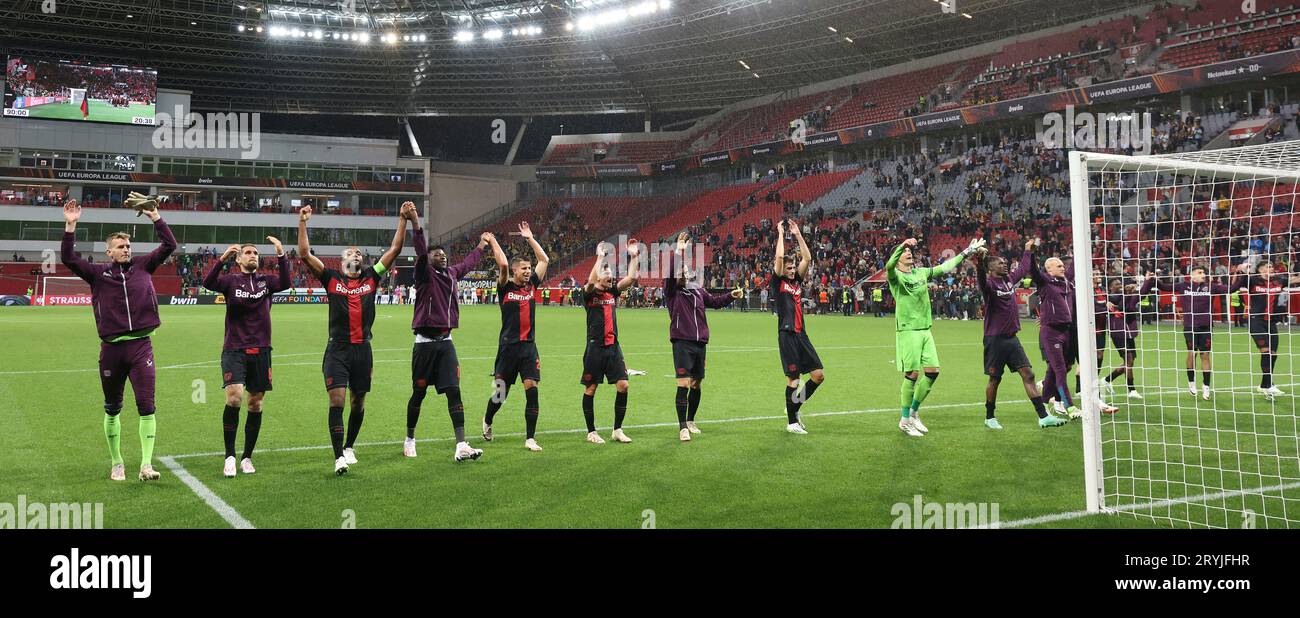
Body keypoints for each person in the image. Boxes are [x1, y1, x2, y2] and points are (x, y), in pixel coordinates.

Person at [60, 197, 176, 482]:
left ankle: (146, 465)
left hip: (141, 346)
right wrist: (70, 225)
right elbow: (68, 258)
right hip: (111, 350)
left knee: (147, 405)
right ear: (109, 251)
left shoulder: (143, 266)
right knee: (113, 407)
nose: (126, 250)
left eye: (128, 246)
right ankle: (117, 463)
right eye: (121, 247)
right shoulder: (97, 274)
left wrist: (155, 217)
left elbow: (169, 245)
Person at [297, 204, 408, 475]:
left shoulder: (372, 277)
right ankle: (338, 458)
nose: (355, 254)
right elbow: (304, 253)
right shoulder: (330, 277)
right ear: (342, 259)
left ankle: (349, 446)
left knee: (358, 402)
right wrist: (302, 223)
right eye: (350, 252)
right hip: (337, 349)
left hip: (363, 350)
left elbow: (395, 250)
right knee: (337, 401)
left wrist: (402, 219)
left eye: (359, 252)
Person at [403, 202, 491, 462]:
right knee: (418, 392)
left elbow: (468, 263)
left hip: (446, 342)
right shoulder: (424, 273)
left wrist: (482, 245)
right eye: (436, 254)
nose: (442, 256)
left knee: (454, 390)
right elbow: (420, 250)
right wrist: (415, 222)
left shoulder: (452, 273)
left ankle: (461, 444)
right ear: (428, 260)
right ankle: (409, 438)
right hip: (424, 344)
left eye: (443, 254)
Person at [202, 237, 290, 478]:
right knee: (234, 397)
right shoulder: (230, 281)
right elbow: (207, 283)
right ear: (239, 259)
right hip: (234, 348)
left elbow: (286, 281)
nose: (253, 255)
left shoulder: (266, 281)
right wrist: (221, 260)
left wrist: (281, 253)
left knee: (256, 403)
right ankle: (230, 456)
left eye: (256, 253)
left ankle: (247, 457)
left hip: (261, 349)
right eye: (248, 252)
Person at [886, 235, 986, 436]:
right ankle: (904, 420)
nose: (909, 254)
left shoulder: (921, 272)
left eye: (909, 252)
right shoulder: (895, 277)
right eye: (905, 253)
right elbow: (888, 265)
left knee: (932, 372)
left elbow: (945, 267)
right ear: (898, 258)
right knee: (912, 375)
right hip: (908, 330)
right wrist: (903, 244)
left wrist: (967, 252)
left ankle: (913, 413)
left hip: (925, 329)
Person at [974, 242, 1065, 429]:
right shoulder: (989, 284)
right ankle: (989, 417)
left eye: (1005, 262)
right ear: (990, 267)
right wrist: (980, 260)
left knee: (1029, 374)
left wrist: (1027, 249)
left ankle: (1043, 416)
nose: (1004, 265)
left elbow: (1023, 268)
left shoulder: (1008, 280)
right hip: (995, 340)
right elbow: (981, 279)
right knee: (995, 379)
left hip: (1012, 339)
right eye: (1000, 263)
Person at [665, 232, 742, 442]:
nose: (683, 271)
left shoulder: (697, 290)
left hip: (700, 344)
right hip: (681, 342)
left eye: (685, 269)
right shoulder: (673, 292)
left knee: (697, 384)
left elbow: (715, 302)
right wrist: (679, 250)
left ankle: (690, 421)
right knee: (683, 384)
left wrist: (730, 296)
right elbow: (671, 271)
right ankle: (682, 427)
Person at [482, 222, 549, 452]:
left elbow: (545, 261)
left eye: (529, 268)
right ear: (514, 271)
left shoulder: (532, 287)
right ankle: (488, 419)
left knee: (532, 388)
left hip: (529, 348)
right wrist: (492, 241)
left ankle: (530, 437)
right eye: (523, 268)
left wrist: (530, 238)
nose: (528, 271)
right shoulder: (505, 287)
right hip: (508, 349)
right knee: (501, 394)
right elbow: (501, 263)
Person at [577, 239, 641, 444]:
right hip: (595, 347)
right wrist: (600, 257)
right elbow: (590, 280)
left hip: (614, 348)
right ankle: (591, 432)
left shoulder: (612, 292)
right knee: (591, 389)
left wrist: (634, 256)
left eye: (611, 272)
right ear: (598, 277)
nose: (611, 275)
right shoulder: (588, 294)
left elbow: (631, 278)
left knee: (623, 386)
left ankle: (617, 430)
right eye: (606, 272)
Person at [772, 219, 825, 435]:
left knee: (818, 376)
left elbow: (808, 258)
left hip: (802, 334)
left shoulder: (796, 283)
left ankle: (794, 407)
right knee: (793, 379)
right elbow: (778, 258)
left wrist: (797, 234)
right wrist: (780, 233)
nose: (793, 270)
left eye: (794, 267)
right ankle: (792, 422)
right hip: (787, 335)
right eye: (789, 267)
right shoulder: (778, 282)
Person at [1149, 265, 1231, 400]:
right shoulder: (1183, 286)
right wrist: (1154, 279)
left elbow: (1230, 289)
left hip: (1206, 327)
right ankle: (1191, 382)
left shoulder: (1211, 286)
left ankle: (1206, 386)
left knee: (1205, 356)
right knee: (1192, 354)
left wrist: (1243, 274)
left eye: (1204, 272)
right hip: (1190, 326)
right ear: (1192, 275)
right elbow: (1164, 287)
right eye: (1200, 272)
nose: (1203, 274)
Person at [1230, 260, 1300, 399]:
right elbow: (1232, 288)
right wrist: (1240, 272)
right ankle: (1268, 386)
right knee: (1266, 352)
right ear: (1261, 270)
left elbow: (1295, 279)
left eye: (1271, 266)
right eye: (1268, 266)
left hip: (1271, 322)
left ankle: (1265, 385)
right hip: (1256, 320)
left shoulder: (1278, 281)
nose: (1271, 268)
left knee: (1273, 355)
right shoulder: (1252, 281)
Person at [1027, 240, 1082, 419]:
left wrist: (1080, 245)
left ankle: (1043, 405)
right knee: (1060, 370)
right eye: (1058, 265)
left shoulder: (1066, 282)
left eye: (1062, 265)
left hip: (1065, 331)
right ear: (1049, 270)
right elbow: (1033, 270)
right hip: (1051, 333)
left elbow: (1074, 266)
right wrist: (1031, 253)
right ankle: (1070, 407)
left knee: (1058, 368)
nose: (1063, 267)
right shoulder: (1045, 282)